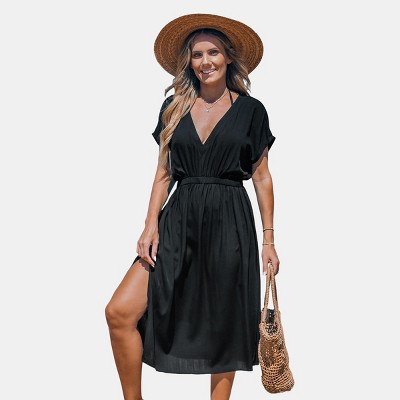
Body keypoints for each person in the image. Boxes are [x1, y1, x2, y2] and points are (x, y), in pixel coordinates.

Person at [105, 13, 280, 400]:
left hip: (229, 221)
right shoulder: (174, 107)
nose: (205, 61)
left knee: (223, 325)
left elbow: (262, 176)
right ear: (189, 61)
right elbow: (164, 172)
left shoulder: (252, 110)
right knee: (119, 311)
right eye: (197, 54)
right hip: (179, 218)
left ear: (228, 57)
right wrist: (150, 224)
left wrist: (268, 240)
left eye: (213, 52)